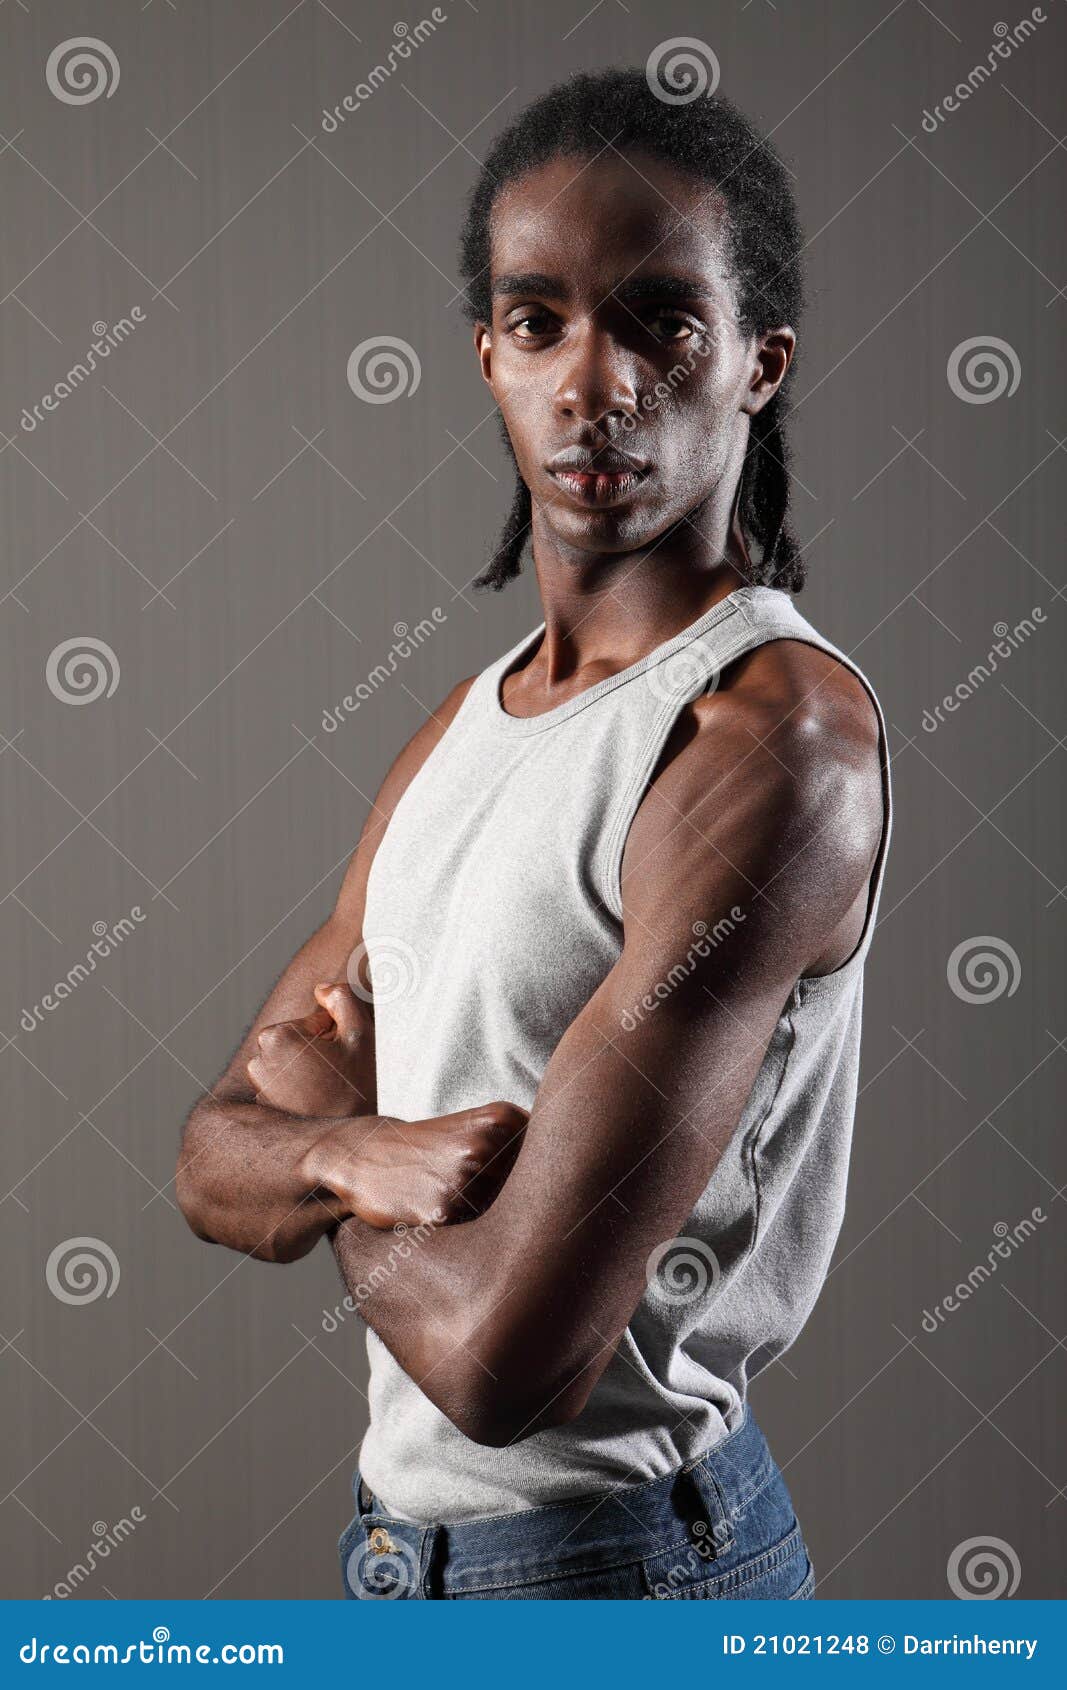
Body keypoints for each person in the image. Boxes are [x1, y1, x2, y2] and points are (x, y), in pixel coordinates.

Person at [177, 67, 892, 1601]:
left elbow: (509, 1361)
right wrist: (355, 1149)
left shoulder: (774, 742)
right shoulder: (467, 724)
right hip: (395, 1555)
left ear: (759, 365)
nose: (594, 384)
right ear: (487, 358)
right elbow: (209, 1155)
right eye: (538, 321)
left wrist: (335, 1181)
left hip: (612, 1572)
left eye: (659, 322)